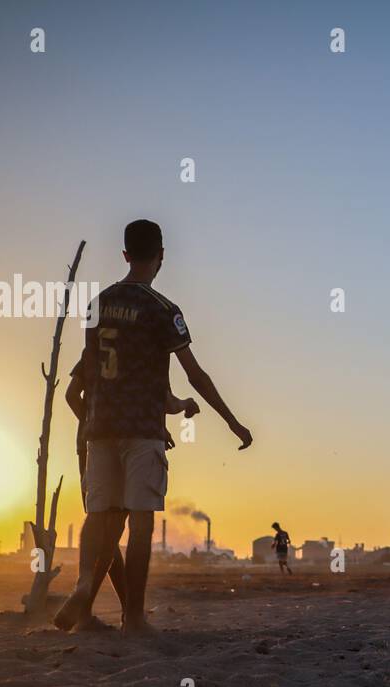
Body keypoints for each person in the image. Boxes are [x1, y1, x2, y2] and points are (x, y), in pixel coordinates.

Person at [54, 219, 253, 635]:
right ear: (161, 256)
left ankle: (85, 588)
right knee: (141, 522)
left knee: (99, 517)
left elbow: (87, 379)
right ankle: (134, 617)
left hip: (100, 429)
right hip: (142, 431)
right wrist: (232, 421)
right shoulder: (162, 309)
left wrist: (93, 422)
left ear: (125, 255)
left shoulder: (98, 304)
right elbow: (194, 373)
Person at [60, 356, 199, 630]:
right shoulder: (146, 347)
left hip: (91, 444)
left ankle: (106, 608)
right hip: (131, 442)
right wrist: (183, 406)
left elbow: (71, 394)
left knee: (104, 524)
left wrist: (92, 422)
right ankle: (115, 614)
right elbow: (166, 400)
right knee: (116, 530)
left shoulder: (98, 342)